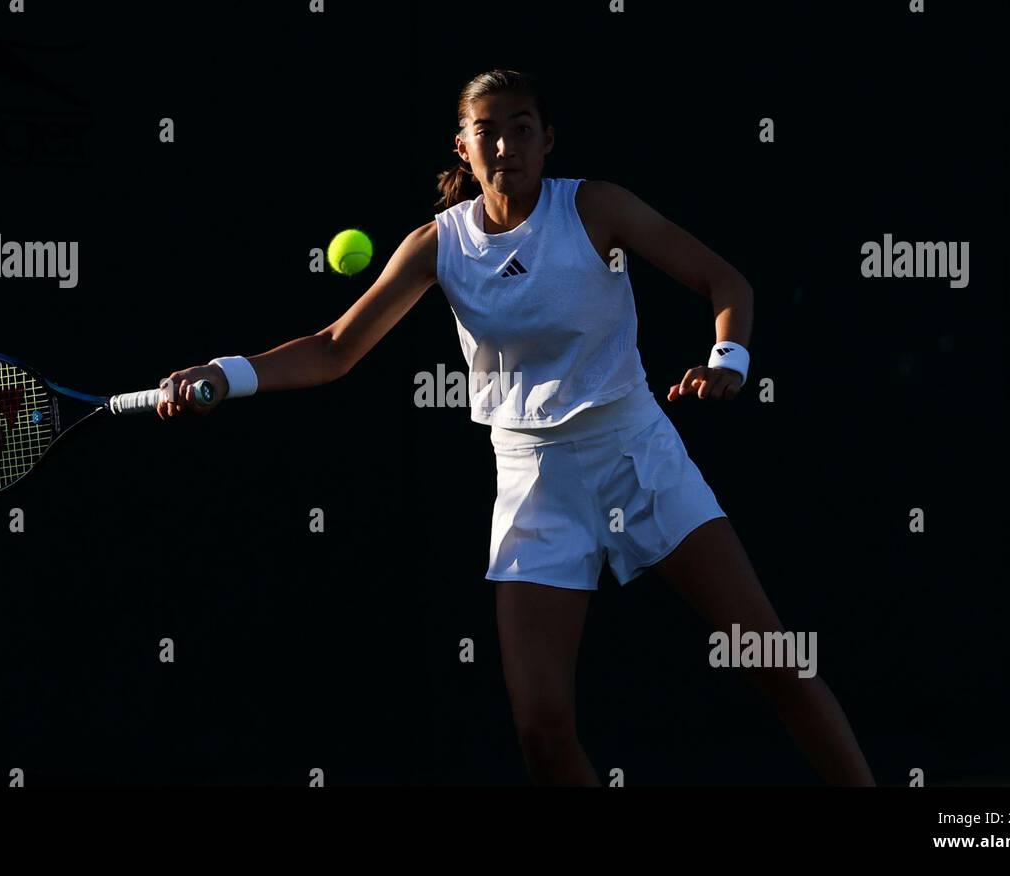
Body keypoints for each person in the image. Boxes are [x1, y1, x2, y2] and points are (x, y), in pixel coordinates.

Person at [158, 69, 875, 787]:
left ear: (547, 139)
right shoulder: (437, 246)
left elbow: (727, 283)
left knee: (772, 660)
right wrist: (224, 374)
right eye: (488, 130)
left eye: (522, 127)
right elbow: (334, 349)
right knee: (540, 729)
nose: (506, 144)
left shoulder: (598, 208)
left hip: (638, 456)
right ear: (463, 147)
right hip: (534, 484)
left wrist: (728, 361)